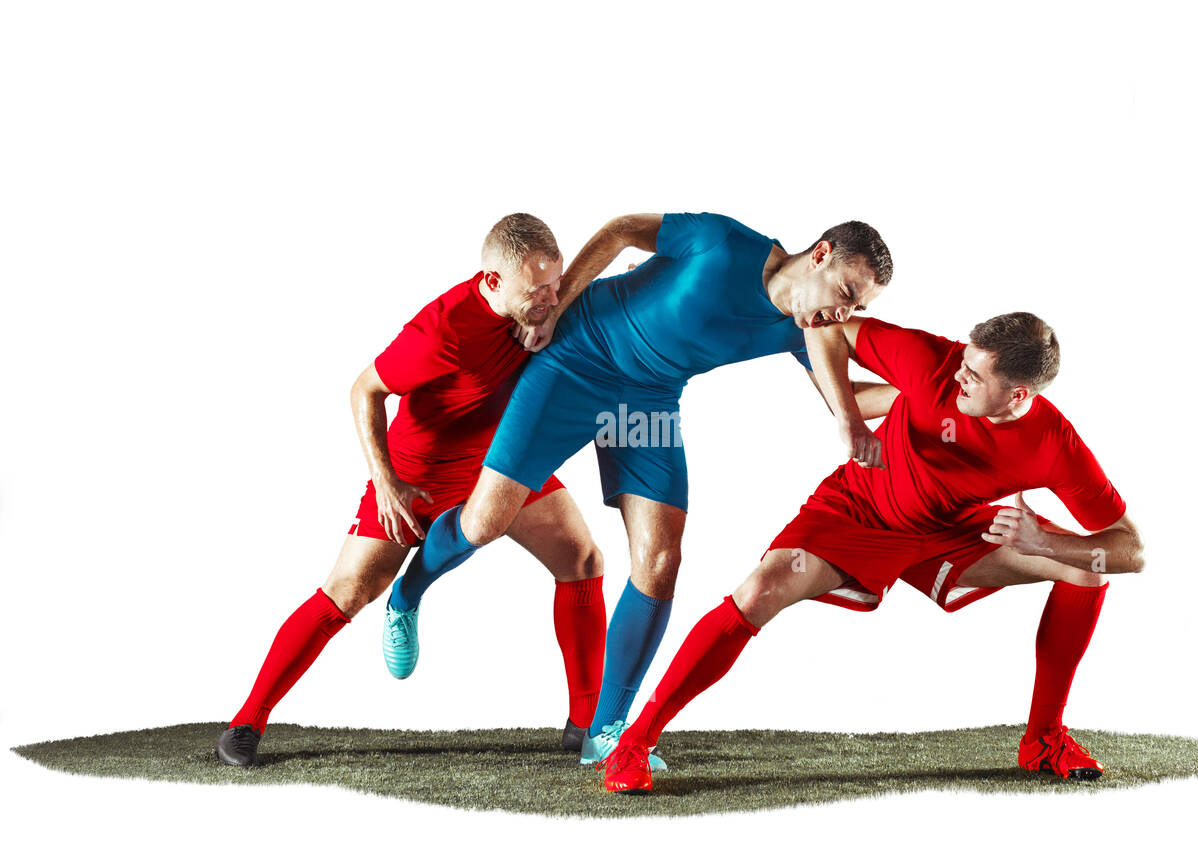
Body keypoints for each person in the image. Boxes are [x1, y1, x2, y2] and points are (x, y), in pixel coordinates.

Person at [381, 212, 899, 768]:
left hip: (646, 403)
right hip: (574, 360)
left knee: (660, 560)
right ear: (819, 254)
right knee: (483, 523)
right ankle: (408, 594)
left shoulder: (808, 329)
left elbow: (842, 397)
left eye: (857, 307)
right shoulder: (724, 244)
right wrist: (556, 309)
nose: (844, 313)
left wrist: (929, 397)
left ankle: (606, 732)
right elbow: (622, 230)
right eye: (846, 293)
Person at [601, 311, 1145, 792]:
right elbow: (824, 329)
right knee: (758, 590)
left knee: (1084, 572)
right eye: (965, 360)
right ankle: (637, 741)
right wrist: (850, 414)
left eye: (976, 376)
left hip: (949, 530)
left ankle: (1043, 741)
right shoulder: (932, 359)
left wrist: (1047, 542)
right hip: (859, 509)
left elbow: (1130, 551)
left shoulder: (1054, 443)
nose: (960, 372)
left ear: (1020, 395)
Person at [215, 214, 606, 767]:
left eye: (554, 284)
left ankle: (586, 725)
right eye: (535, 290)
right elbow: (364, 390)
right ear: (492, 282)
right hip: (421, 469)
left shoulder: (542, 304)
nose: (549, 298)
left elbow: (594, 268)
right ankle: (246, 722)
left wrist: (554, 307)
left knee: (582, 557)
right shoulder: (442, 329)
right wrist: (386, 483)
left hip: (504, 458)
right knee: (350, 590)